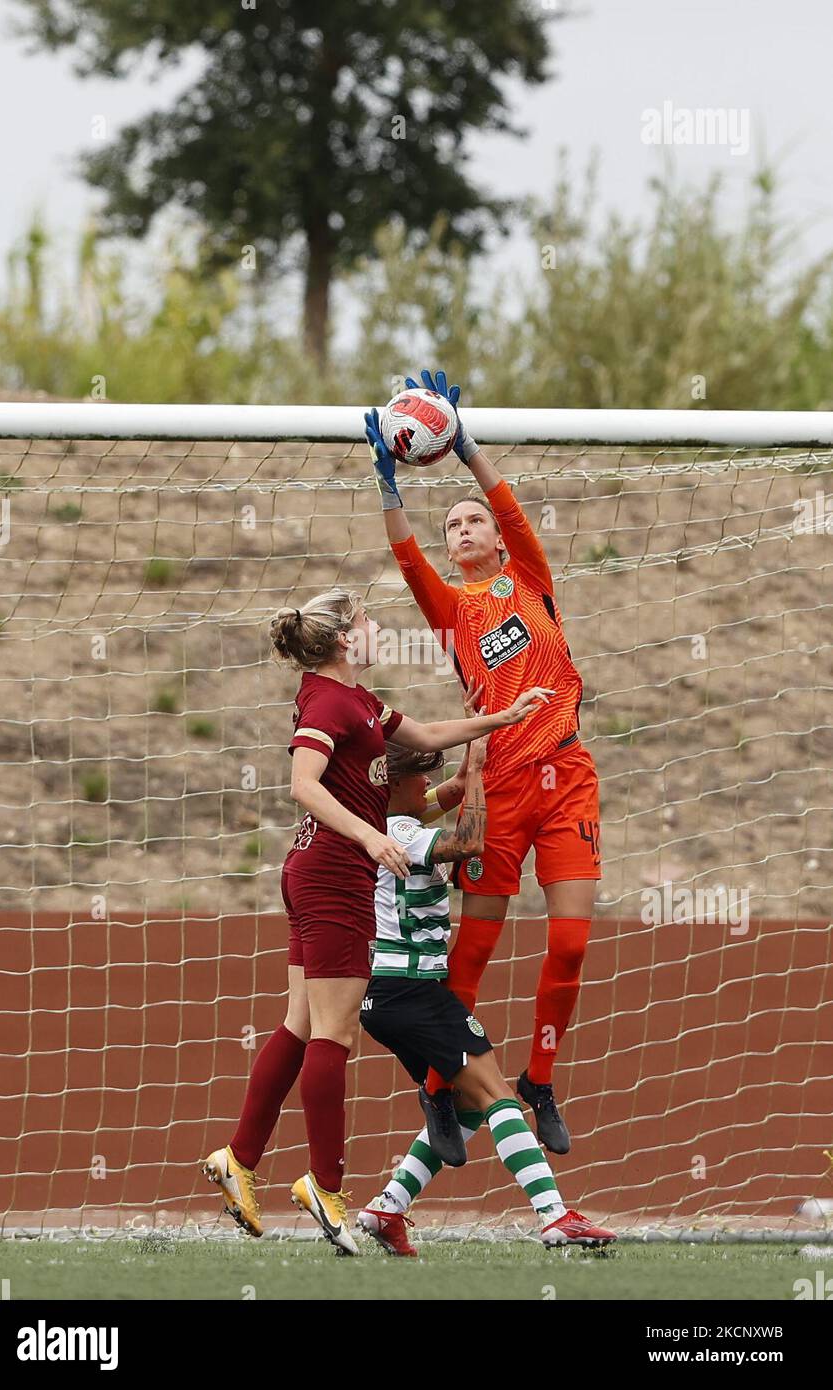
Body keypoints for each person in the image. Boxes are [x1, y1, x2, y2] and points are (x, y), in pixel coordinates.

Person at [202, 586, 552, 1255]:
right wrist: (368, 837)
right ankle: (326, 1188)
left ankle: (240, 1162)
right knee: (335, 1034)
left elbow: (423, 737)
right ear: (342, 639)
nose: (377, 626)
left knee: (301, 1025)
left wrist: (503, 716)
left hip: (315, 868)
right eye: (366, 620)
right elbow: (304, 784)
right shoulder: (331, 701)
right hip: (333, 874)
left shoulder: (358, 701)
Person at [366, 369, 602, 1154]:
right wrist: (389, 482)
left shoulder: (530, 577)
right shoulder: (452, 609)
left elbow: (507, 503)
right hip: (496, 789)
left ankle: (539, 1080)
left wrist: (466, 447)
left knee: (569, 942)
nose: (463, 530)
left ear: (497, 539)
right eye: (452, 528)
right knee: (470, 952)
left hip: (567, 778)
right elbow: (404, 557)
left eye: (473, 522)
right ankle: (438, 1092)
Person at [356, 733, 615, 1256]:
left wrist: (473, 764)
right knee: (499, 1096)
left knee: (474, 1106)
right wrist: (476, 781)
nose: (430, 783)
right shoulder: (402, 832)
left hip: (390, 996)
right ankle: (554, 1216)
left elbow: (441, 799)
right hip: (414, 994)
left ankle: (386, 1208)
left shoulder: (378, 825)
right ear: (398, 783)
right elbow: (468, 842)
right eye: (422, 775)